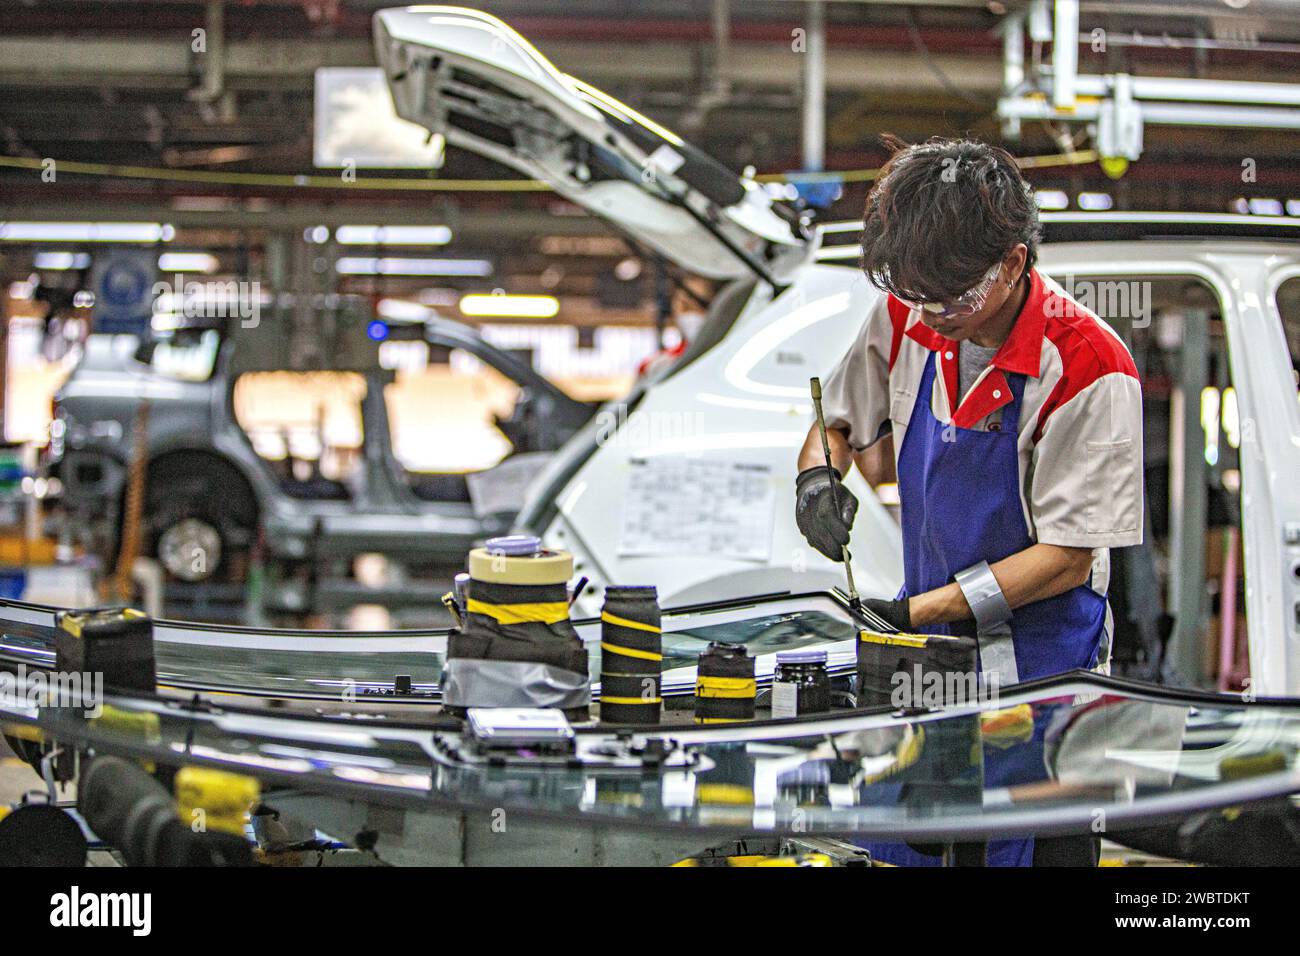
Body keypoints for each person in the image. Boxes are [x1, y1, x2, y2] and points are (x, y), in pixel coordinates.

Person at [795, 137, 1144, 866]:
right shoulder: (910, 317)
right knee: (900, 845)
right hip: (928, 668)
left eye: (955, 296)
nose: (935, 314)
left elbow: (1066, 559)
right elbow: (836, 423)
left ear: (1014, 261)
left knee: (1022, 850)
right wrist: (818, 478)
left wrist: (918, 612)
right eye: (918, 296)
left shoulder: (1088, 365)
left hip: (1044, 675)